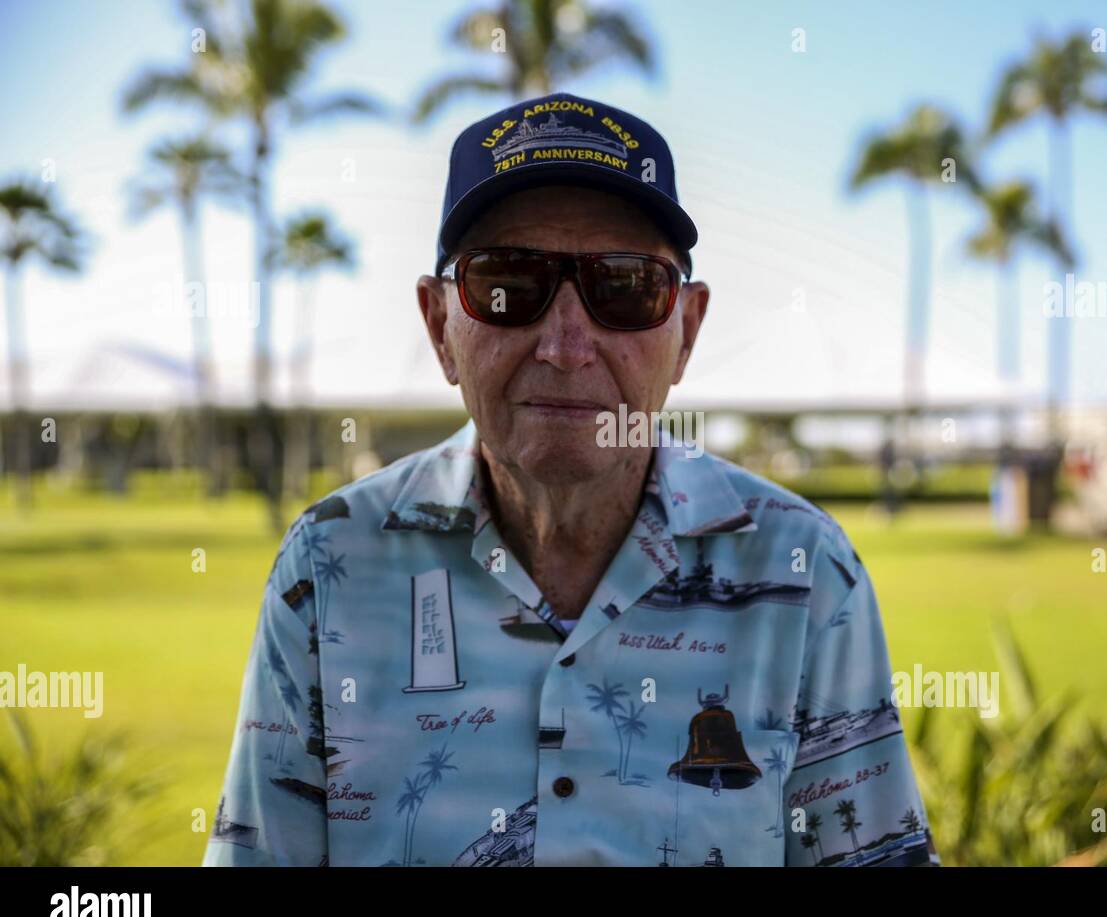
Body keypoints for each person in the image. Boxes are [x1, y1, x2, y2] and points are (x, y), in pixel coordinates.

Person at [204, 91, 938, 867]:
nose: (565, 344)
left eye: (624, 287)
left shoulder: (805, 571)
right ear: (438, 327)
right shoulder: (328, 566)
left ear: (685, 332)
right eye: (506, 284)